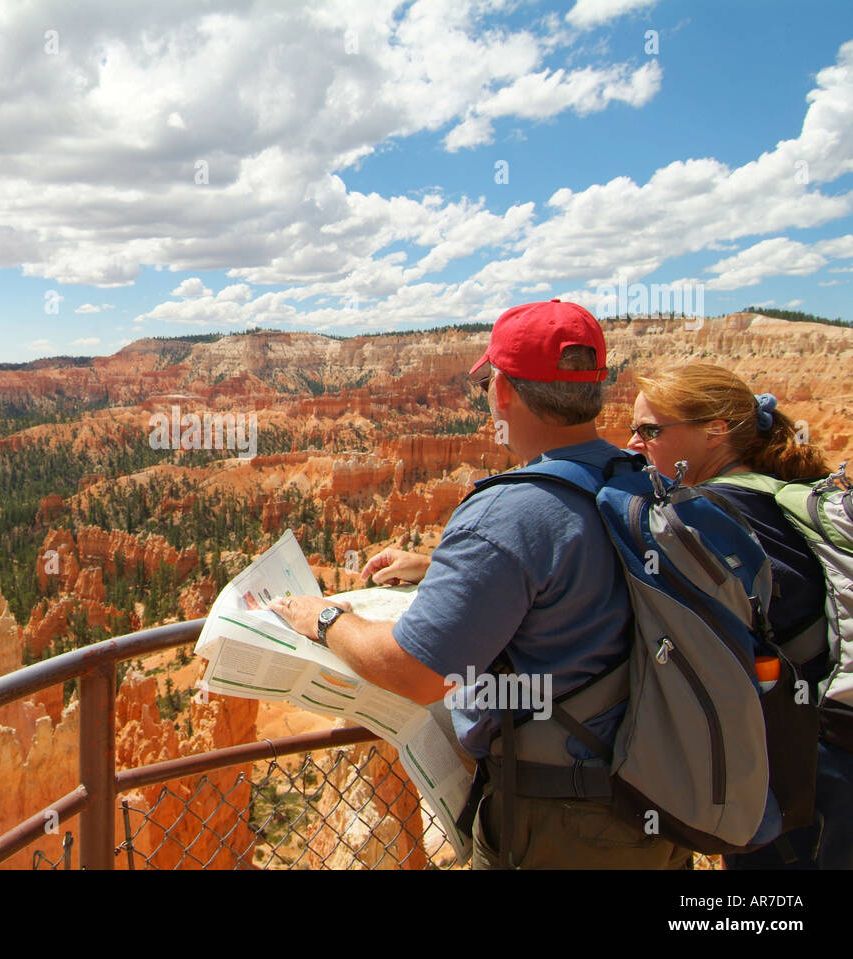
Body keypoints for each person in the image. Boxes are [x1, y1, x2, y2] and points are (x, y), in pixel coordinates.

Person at [267, 299, 692, 869]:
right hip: (656, 790)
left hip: (562, 822)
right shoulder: (641, 480)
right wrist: (440, 565)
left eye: (492, 380)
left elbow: (412, 674)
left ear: (504, 392)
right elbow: (575, 572)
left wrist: (323, 619)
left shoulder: (508, 514)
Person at [627, 362, 851, 868]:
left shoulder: (707, 516)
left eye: (650, 431)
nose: (634, 444)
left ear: (716, 431)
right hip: (832, 744)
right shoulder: (782, 493)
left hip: (796, 767)